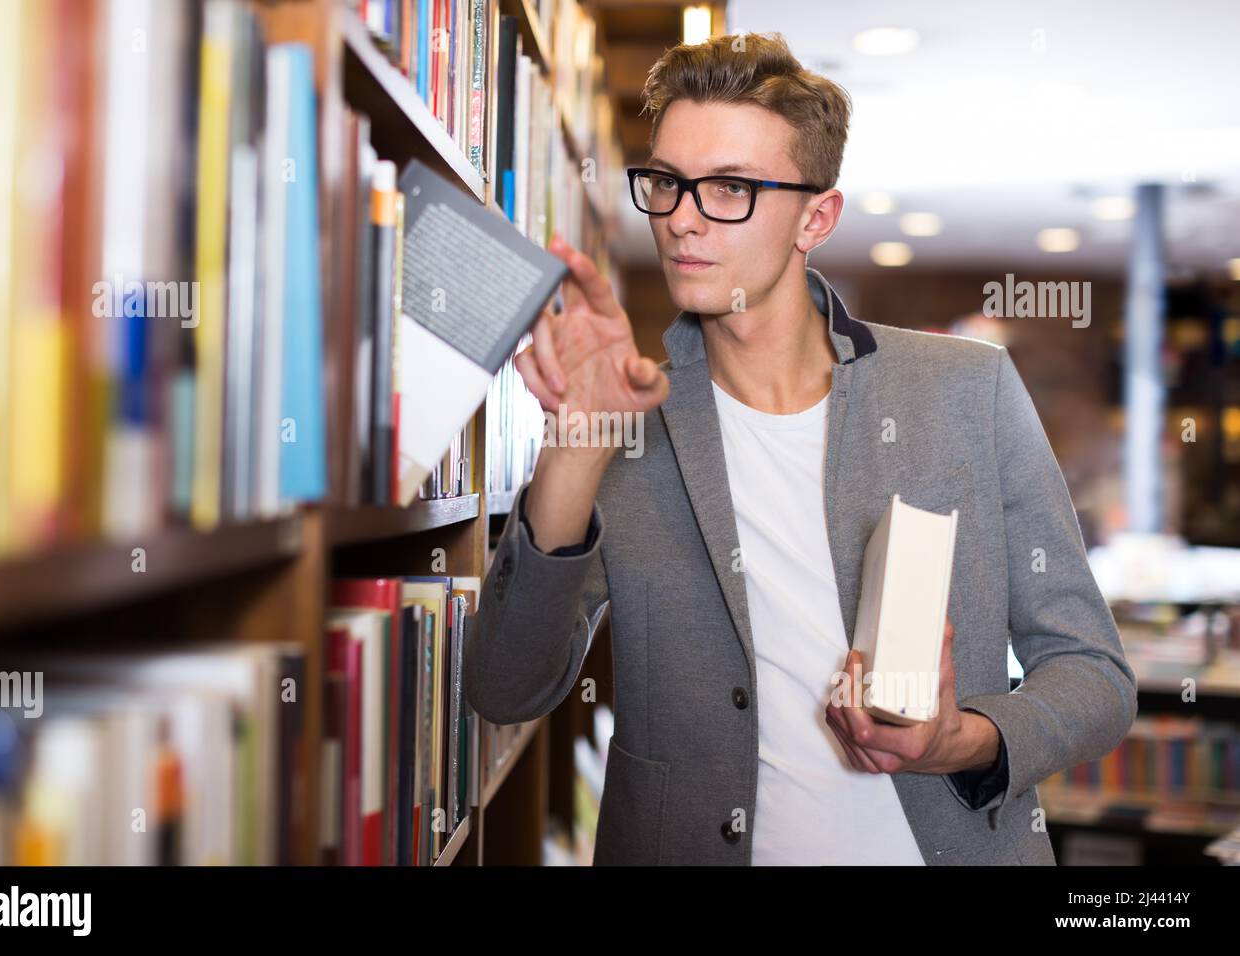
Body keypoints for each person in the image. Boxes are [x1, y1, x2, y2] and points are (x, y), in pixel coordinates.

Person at [464, 31, 1136, 865]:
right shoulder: (625, 417)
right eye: (668, 183)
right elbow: (503, 687)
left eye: (730, 189)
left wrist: (958, 739)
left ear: (816, 217)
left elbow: (1094, 677)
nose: (681, 218)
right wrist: (573, 448)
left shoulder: (967, 390)